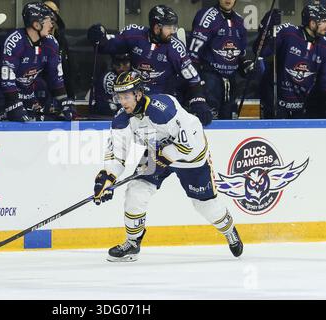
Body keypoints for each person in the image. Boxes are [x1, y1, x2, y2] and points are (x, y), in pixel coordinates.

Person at [92, 70, 243, 262]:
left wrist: (165, 156)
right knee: (136, 190)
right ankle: (133, 243)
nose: (122, 102)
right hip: (157, 152)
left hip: (191, 156)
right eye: (119, 97)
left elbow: (187, 145)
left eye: (126, 97)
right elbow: (117, 153)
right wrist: (107, 177)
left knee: (205, 206)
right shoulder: (122, 119)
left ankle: (229, 230)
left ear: (138, 94)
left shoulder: (164, 109)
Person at [87, 5, 213, 126]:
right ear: (157, 28)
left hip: (162, 102)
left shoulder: (175, 48)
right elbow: (108, 45)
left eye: (174, 27)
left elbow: (193, 79)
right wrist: (98, 36)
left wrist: (199, 101)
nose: (173, 31)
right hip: (134, 98)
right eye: (169, 27)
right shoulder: (134, 35)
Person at [0, 2, 75, 122]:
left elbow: (55, 78)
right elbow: (7, 81)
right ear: (36, 24)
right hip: (2, 98)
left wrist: (64, 101)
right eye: (49, 21)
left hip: (27, 95)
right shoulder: (15, 41)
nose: (52, 25)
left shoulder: (51, 43)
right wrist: (14, 105)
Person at [256, 4, 326, 119]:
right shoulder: (288, 33)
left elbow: (324, 82)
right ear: (312, 23)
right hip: (276, 101)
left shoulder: (324, 45)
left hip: (303, 105)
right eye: (323, 21)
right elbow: (261, 52)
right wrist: (265, 27)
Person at [188, 0, 254, 119]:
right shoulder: (207, 17)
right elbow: (193, 54)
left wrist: (245, 63)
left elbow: (241, 54)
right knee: (210, 120)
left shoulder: (239, 21)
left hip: (231, 82)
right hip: (210, 80)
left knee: (228, 120)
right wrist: (197, 86)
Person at [44, 1, 75, 100]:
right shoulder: (36, 40)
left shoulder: (61, 39)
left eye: (55, 12)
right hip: (41, 95)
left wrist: (70, 97)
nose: (52, 15)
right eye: (48, 11)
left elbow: (68, 70)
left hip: (61, 95)